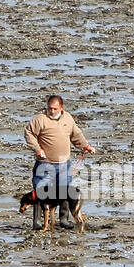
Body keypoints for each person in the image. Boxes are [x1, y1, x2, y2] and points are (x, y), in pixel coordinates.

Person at [24, 94, 95, 230]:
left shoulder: (68, 118)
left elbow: (76, 135)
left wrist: (86, 146)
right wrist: (37, 149)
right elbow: (29, 133)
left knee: (63, 191)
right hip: (44, 164)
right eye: (50, 108)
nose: (52, 111)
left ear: (61, 108)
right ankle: (37, 222)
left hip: (63, 164)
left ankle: (64, 219)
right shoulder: (40, 119)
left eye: (55, 109)